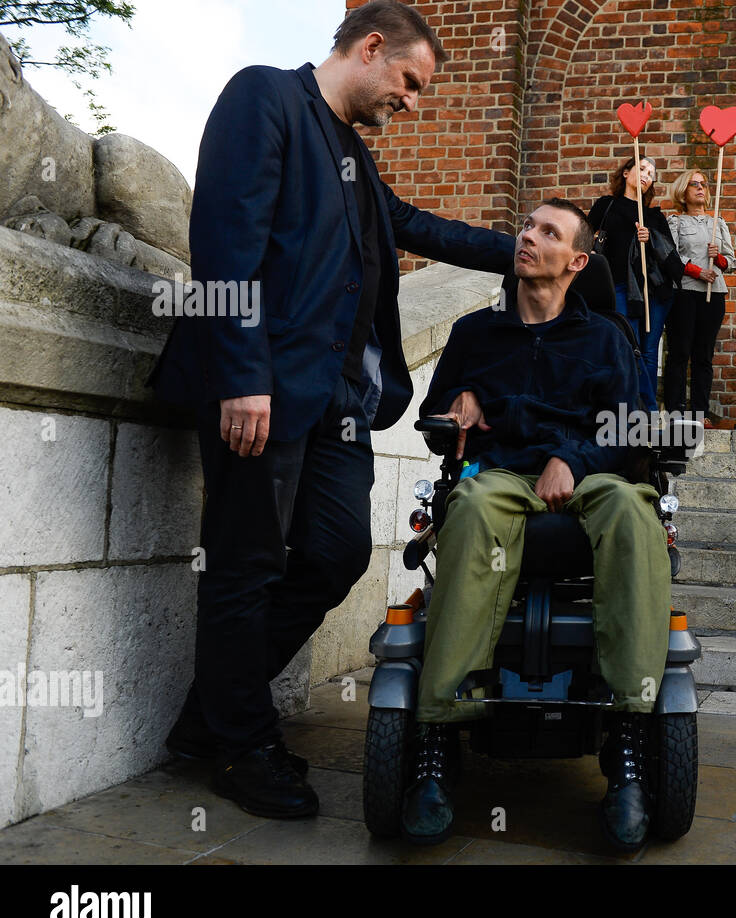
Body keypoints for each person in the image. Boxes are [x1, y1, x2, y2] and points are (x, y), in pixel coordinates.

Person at [147, 0, 515, 819]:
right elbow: (226, 240)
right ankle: (242, 746)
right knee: (244, 566)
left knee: (337, 550)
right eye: (411, 83)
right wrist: (243, 373)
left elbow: (413, 225)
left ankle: (212, 713)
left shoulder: (354, 153)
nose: (413, 104)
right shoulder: (263, 99)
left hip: (339, 406)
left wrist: (521, 248)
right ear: (372, 47)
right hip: (260, 392)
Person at [402, 198, 671, 851]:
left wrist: (571, 459)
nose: (528, 237)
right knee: (468, 506)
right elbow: (438, 427)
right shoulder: (473, 334)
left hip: (591, 480)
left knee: (634, 510)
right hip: (500, 478)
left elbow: (631, 430)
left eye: (548, 232)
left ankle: (629, 739)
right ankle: (439, 736)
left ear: (577, 261)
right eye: (526, 226)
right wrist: (454, 408)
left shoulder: (608, 338)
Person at [588, 156, 684, 411]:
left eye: (651, 173)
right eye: (641, 169)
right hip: (619, 286)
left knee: (649, 351)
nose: (646, 175)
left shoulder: (653, 215)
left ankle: (649, 409)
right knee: (629, 345)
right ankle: (632, 405)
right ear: (627, 173)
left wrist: (649, 237)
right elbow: (585, 240)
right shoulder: (606, 206)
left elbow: (671, 257)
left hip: (653, 291)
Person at [665, 169, 736, 423]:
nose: (700, 188)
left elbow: (733, 262)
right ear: (683, 192)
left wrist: (717, 257)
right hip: (684, 292)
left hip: (714, 294)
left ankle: (699, 413)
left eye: (703, 184)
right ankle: (674, 412)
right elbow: (671, 257)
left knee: (703, 355)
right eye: (693, 184)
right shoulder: (675, 222)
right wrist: (697, 271)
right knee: (679, 352)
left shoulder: (718, 223)